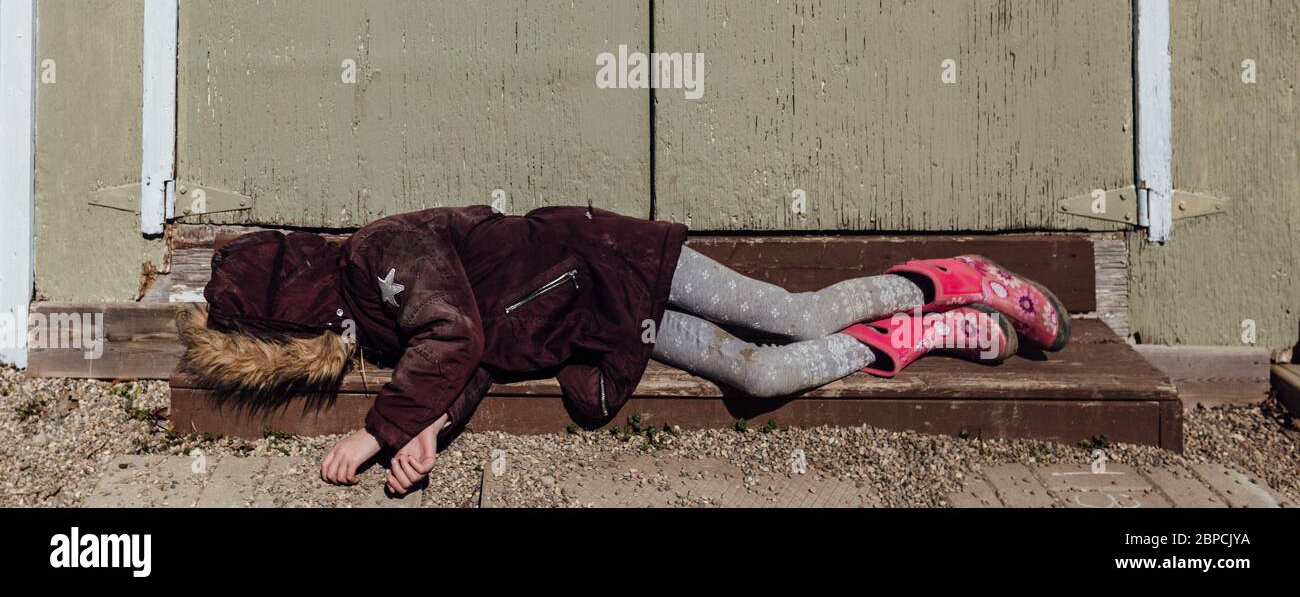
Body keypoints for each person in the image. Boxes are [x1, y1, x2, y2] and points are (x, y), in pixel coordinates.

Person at [176, 205, 1070, 495]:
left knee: (790, 317)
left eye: (288, 330)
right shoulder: (371, 321)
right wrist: (435, 431)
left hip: (611, 261)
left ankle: (952, 279)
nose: (311, 342)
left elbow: (454, 330)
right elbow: (473, 356)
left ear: (291, 299)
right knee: (757, 374)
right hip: (596, 322)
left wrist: (379, 431)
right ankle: (919, 337)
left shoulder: (379, 254)